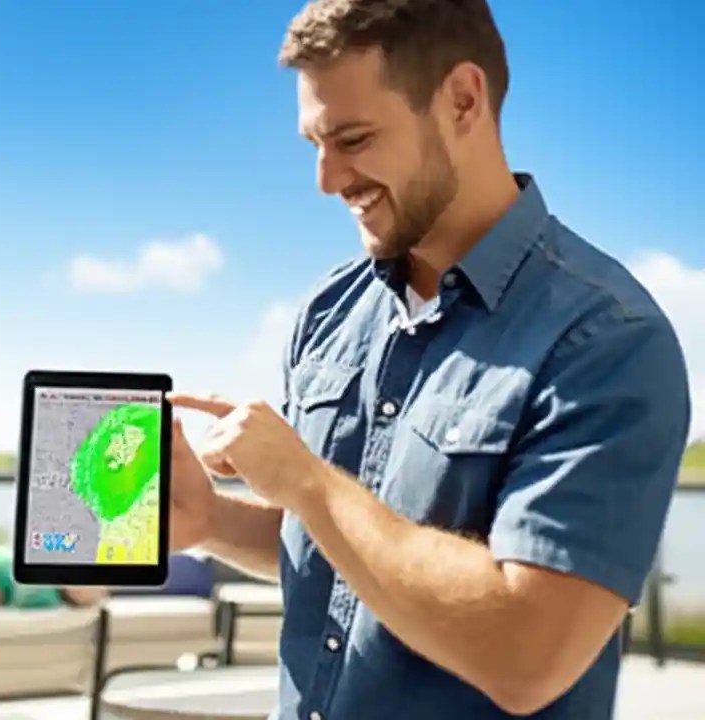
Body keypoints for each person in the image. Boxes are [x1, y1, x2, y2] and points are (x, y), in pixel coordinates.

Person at [166, 1, 692, 718]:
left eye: (352, 138)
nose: (326, 179)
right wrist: (214, 523)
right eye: (314, 143)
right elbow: (341, 558)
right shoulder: (329, 312)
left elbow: (527, 655)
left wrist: (309, 483)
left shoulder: (606, 340)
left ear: (462, 100)